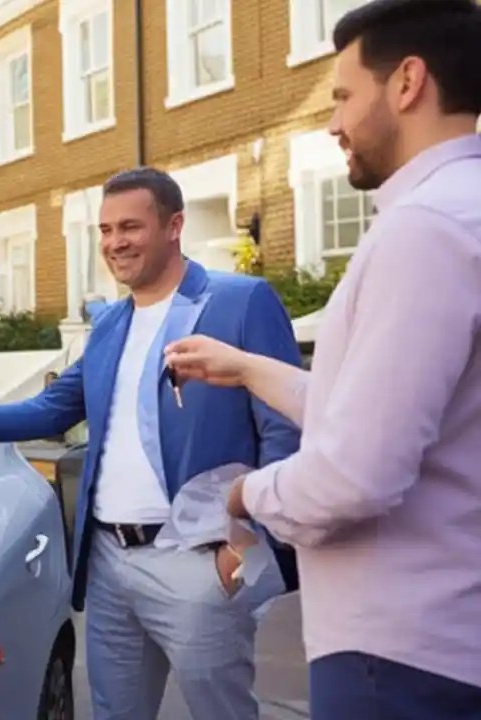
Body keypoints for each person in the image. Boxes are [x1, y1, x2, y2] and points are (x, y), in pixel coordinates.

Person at [162, 1, 481, 717]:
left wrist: (241, 497)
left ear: (407, 82)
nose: (334, 123)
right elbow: (385, 414)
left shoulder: (424, 231)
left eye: (342, 96)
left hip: (398, 655)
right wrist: (248, 368)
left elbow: (354, 475)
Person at [0, 167, 301, 720]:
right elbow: (54, 409)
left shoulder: (240, 301)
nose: (115, 243)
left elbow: (285, 427)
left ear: (174, 226)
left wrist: (247, 546)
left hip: (199, 562)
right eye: (106, 230)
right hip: (109, 561)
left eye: (130, 227)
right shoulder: (110, 324)